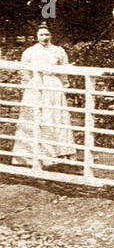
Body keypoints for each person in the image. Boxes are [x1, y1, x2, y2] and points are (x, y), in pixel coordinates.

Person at [11, 24, 77, 171]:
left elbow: (64, 70)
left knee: (54, 117)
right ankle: (29, 155)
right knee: (35, 117)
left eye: (47, 34)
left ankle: (59, 154)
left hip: (53, 85)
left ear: (51, 35)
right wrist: (29, 84)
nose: (44, 38)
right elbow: (24, 72)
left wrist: (63, 84)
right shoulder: (29, 52)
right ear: (36, 36)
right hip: (35, 85)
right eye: (41, 35)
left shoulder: (59, 51)